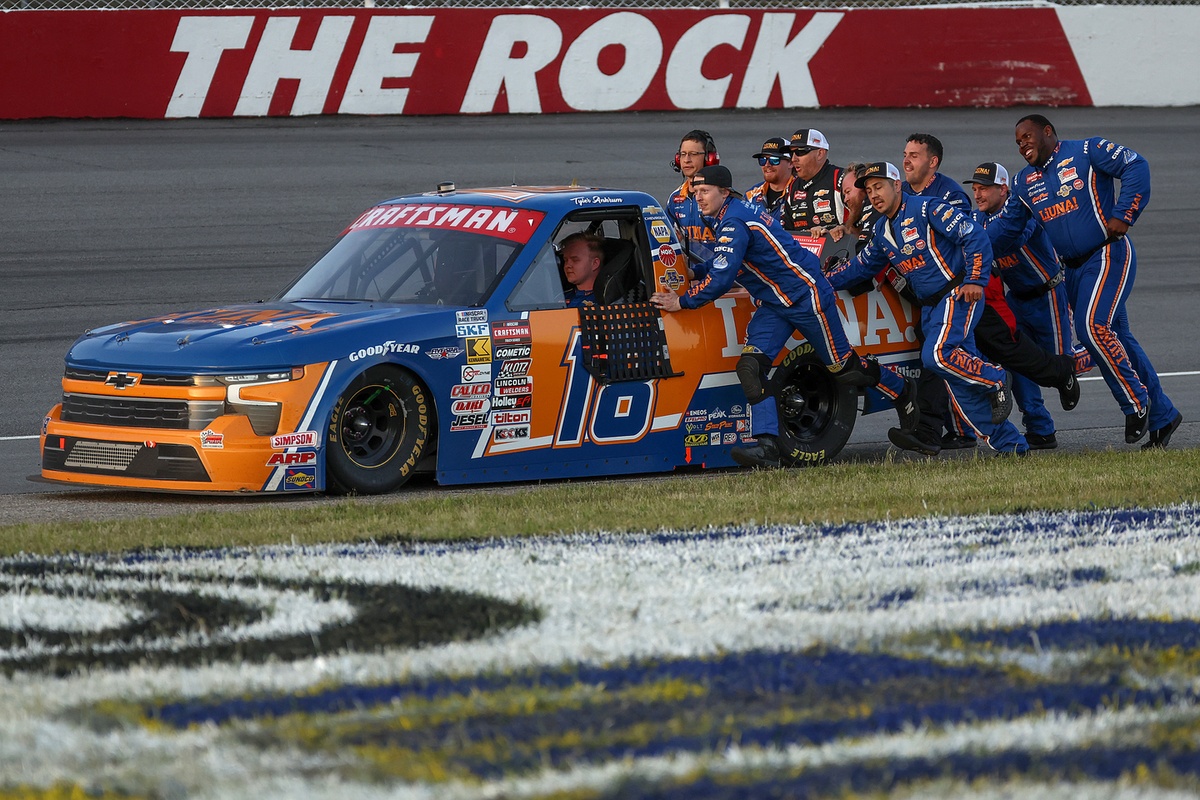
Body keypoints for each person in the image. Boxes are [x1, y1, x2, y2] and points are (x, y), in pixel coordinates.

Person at [650, 165, 919, 468]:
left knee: (846, 370)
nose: (697, 198)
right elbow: (726, 259)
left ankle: (902, 389)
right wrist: (696, 270)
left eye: (704, 192)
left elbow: (724, 276)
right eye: (695, 192)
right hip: (775, 304)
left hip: (806, 298)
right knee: (750, 367)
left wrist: (682, 301)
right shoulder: (728, 214)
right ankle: (766, 447)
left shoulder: (735, 220)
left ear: (724, 192)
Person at [989, 114, 1181, 448]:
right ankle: (1164, 416)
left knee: (1092, 329)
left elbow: (1137, 166)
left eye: (1027, 136)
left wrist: (1125, 214)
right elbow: (1005, 230)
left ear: (1047, 132)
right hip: (1071, 272)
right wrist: (966, 248)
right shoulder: (1022, 183)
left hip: (1107, 255)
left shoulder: (1088, 150)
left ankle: (1137, 403)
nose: (1022, 145)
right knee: (1117, 338)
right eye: (1017, 141)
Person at [823, 162, 1028, 455]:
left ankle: (995, 376)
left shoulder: (928, 207)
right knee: (961, 388)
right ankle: (1013, 447)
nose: (873, 195)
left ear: (897, 185)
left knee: (936, 356)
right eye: (868, 190)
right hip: (932, 308)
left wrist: (975, 279)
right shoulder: (881, 230)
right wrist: (818, 282)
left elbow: (975, 236)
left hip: (957, 295)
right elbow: (860, 268)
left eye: (878, 186)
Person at [966, 161, 1081, 449]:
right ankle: (1040, 427)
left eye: (984, 189)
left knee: (1061, 362)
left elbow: (1013, 237)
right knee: (1017, 361)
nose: (978, 195)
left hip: (1049, 295)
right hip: (1015, 299)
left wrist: (977, 243)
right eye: (975, 189)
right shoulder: (976, 220)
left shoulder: (1023, 212)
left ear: (1004, 189)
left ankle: (1097, 349)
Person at [667, 130, 721, 273]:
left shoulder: (721, 197)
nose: (687, 160)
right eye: (683, 154)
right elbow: (668, 241)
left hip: (723, 278)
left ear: (709, 158)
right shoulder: (675, 199)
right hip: (690, 277)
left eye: (693, 154)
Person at [780, 128, 844, 237]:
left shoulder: (841, 179)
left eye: (800, 152)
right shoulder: (793, 186)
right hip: (804, 252)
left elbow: (861, 223)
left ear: (820, 154)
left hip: (840, 250)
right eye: (791, 153)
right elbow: (786, 231)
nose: (794, 159)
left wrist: (833, 230)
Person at [903, 133, 971, 210]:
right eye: (905, 156)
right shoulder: (897, 192)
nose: (906, 161)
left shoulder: (952, 195)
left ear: (932, 162)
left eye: (914, 156)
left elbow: (964, 222)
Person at [744, 136, 794, 222]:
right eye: (762, 160)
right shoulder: (751, 195)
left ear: (790, 163)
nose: (767, 165)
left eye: (774, 160)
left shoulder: (802, 193)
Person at [560, 231, 604, 308]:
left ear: (595, 264)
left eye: (575, 260)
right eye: (565, 260)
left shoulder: (606, 302)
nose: (567, 265)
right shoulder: (558, 298)